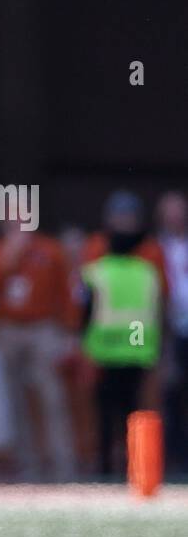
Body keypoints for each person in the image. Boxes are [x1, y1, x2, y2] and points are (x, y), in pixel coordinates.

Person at [0, 216, 77, 481]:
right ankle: (27, 465)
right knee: (14, 399)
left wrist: (69, 331)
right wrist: (12, 253)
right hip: (8, 327)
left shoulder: (51, 250)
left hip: (43, 327)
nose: (16, 222)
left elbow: (66, 292)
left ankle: (63, 465)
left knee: (52, 396)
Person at [82, 191, 162, 477]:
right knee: (133, 413)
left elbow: (86, 312)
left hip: (104, 350)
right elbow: (156, 311)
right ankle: (137, 469)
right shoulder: (148, 271)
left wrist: (84, 345)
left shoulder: (96, 271)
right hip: (137, 351)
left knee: (106, 414)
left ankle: (106, 470)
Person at [155, 191, 188, 473]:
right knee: (171, 391)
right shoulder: (154, 247)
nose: (175, 216)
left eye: (179, 209)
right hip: (167, 327)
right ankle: (175, 458)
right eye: (170, 210)